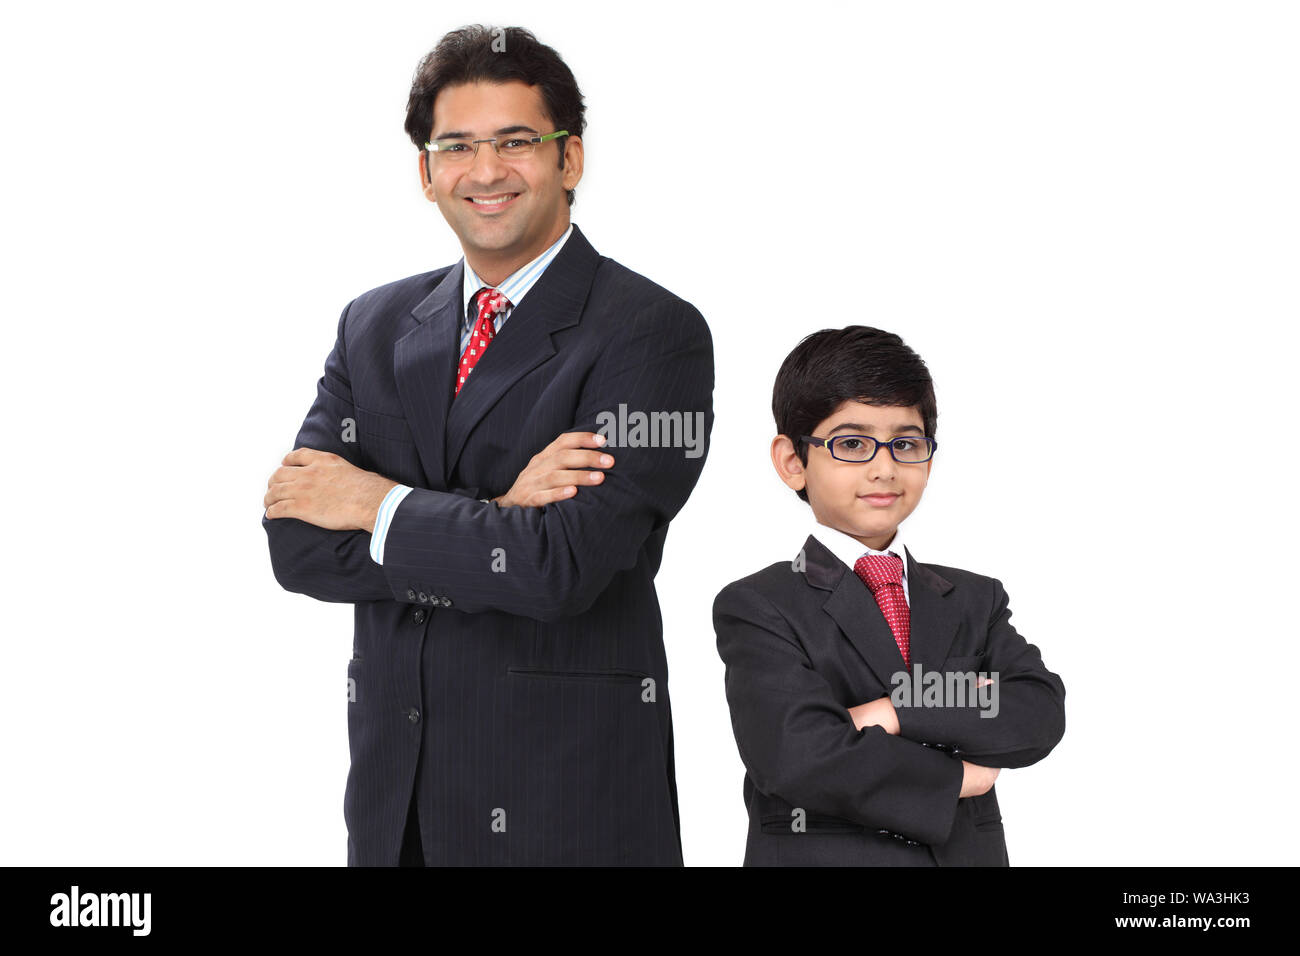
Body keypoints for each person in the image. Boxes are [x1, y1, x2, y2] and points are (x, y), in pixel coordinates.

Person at [262, 24, 713, 866]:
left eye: (516, 141)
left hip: (564, 805)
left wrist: (373, 502)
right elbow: (296, 546)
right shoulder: (374, 324)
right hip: (397, 807)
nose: (486, 170)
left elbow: (559, 569)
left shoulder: (651, 333)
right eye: (457, 146)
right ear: (427, 173)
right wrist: (497, 516)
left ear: (569, 159)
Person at [713, 326, 1064, 865]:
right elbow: (798, 757)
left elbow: (1036, 712)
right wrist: (956, 775)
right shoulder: (760, 605)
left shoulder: (974, 598)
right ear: (792, 461)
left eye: (906, 443)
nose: (885, 467)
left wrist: (897, 709)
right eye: (851, 443)